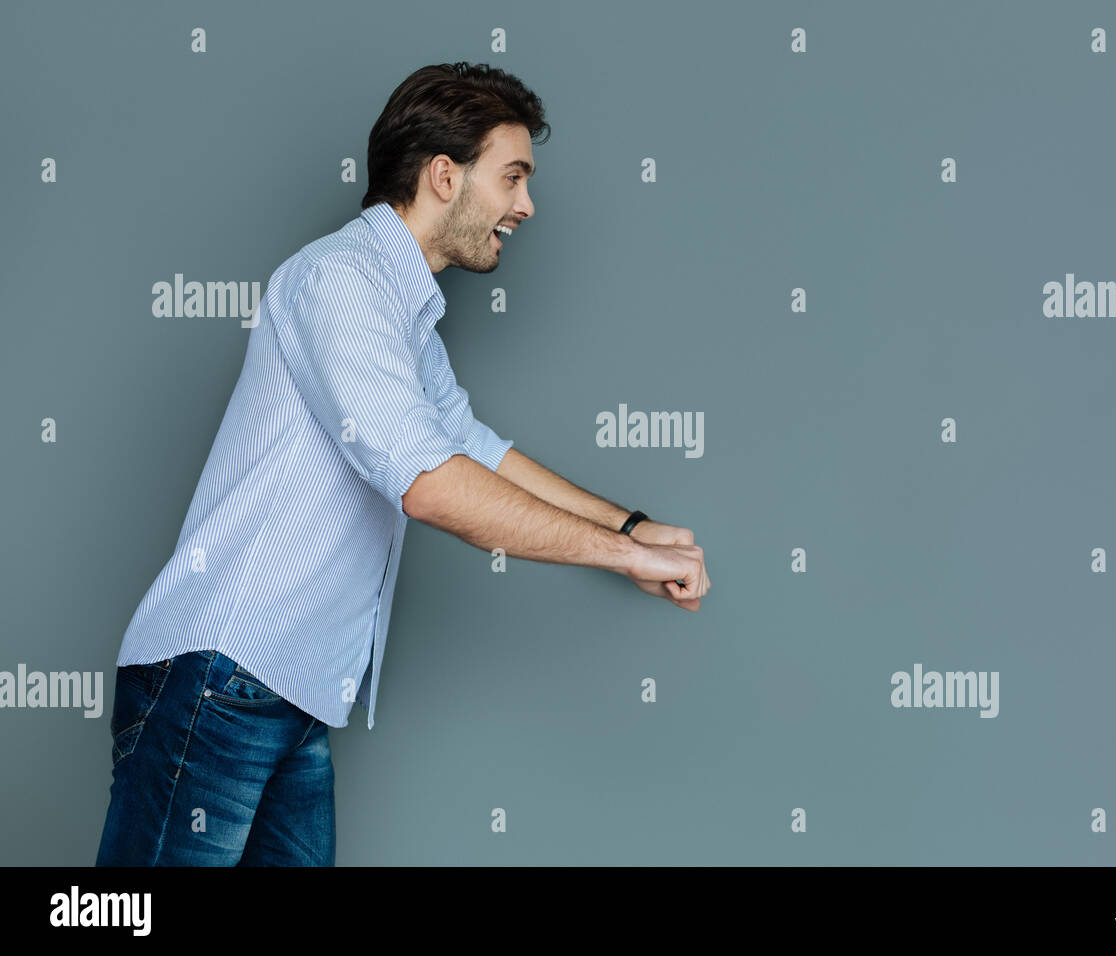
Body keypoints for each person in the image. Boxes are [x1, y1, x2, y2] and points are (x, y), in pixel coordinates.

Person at [95, 62, 710, 867]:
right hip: (220, 679)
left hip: (289, 694)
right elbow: (432, 485)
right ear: (445, 175)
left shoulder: (400, 313)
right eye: (513, 177)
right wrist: (625, 555)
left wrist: (630, 524)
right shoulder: (339, 282)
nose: (526, 206)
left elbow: (473, 448)